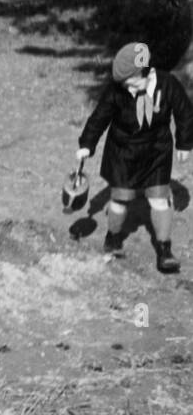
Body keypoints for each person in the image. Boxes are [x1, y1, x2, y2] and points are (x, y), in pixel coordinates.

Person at [78, 42, 193, 273]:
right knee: (121, 198)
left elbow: (184, 113)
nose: (126, 86)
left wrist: (184, 143)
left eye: (130, 81)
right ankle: (113, 239)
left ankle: (164, 249)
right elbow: (99, 118)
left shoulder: (168, 84)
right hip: (123, 152)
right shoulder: (116, 91)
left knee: (160, 198)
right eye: (123, 83)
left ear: (145, 73)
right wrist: (87, 144)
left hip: (156, 151)